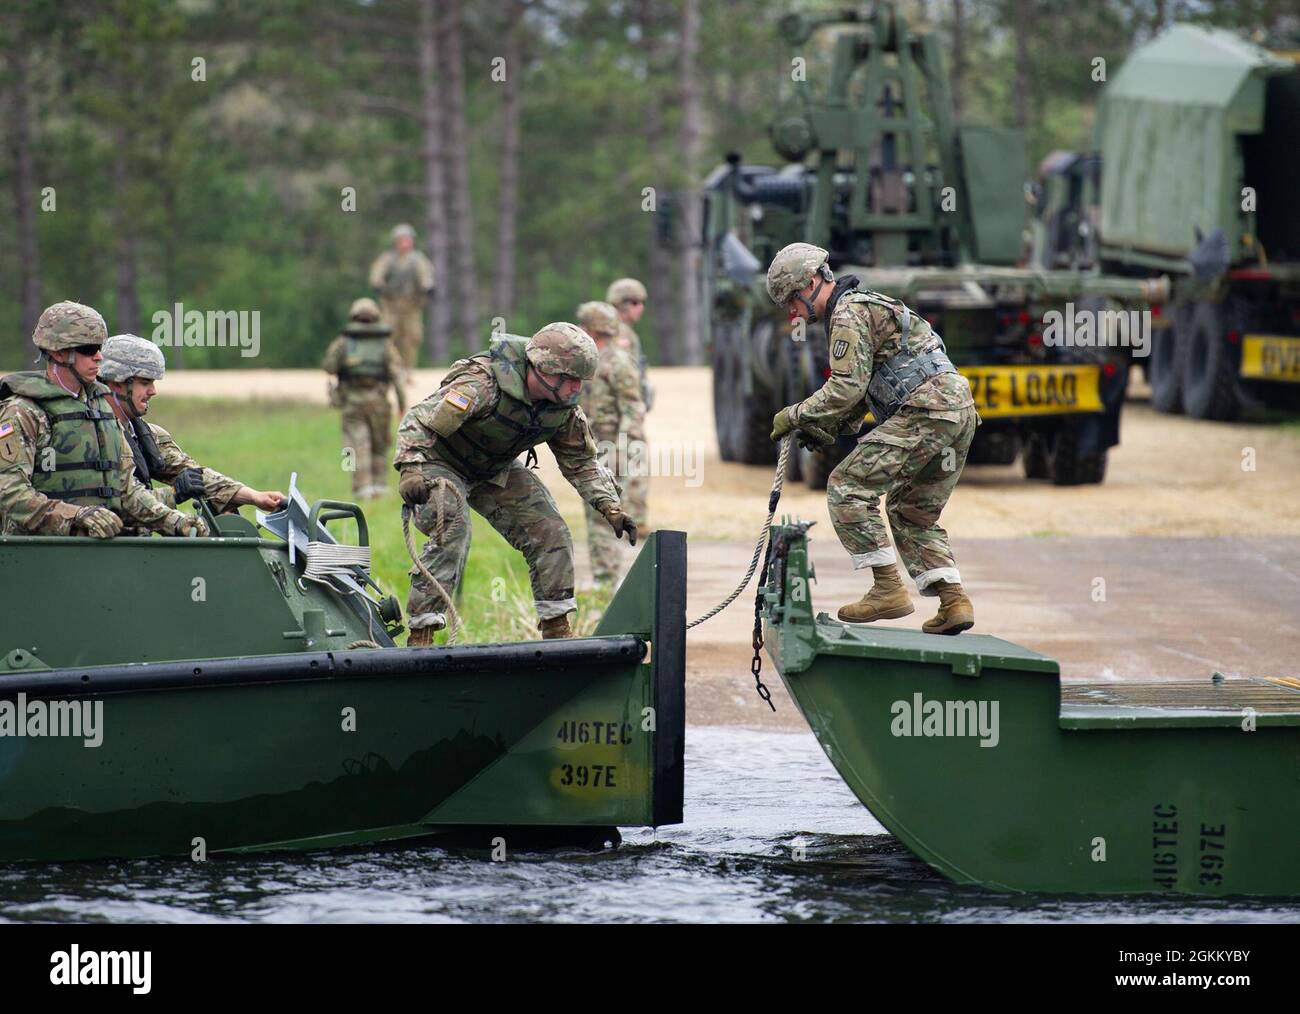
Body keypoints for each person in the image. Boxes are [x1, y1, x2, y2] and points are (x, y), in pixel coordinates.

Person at [766, 243, 979, 635]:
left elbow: (846, 388)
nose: (792, 313)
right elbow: (863, 395)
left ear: (811, 284)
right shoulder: (864, 307)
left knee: (847, 487)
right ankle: (954, 602)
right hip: (957, 413)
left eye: (791, 301)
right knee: (911, 510)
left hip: (926, 410)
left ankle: (887, 589)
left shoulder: (847, 314)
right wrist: (824, 428)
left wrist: (794, 415)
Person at [394, 323, 635, 644]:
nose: (577, 389)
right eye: (572, 379)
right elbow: (419, 421)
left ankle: (556, 630)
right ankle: (421, 633)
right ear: (546, 370)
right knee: (451, 526)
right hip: (441, 462)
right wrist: (411, 468)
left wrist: (611, 507)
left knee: (551, 531)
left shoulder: (562, 411)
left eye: (581, 381)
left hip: (494, 469)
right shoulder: (482, 385)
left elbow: (581, 463)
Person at [0, 302, 208, 539]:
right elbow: (10, 493)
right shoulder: (22, 412)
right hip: (38, 556)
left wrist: (175, 521)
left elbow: (126, 489)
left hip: (101, 555)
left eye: (99, 348)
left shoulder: (101, 407)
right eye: (88, 349)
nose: (99, 357)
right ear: (58, 352)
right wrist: (76, 516)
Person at [99, 334, 286, 528]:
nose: (153, 391)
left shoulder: (142, 433)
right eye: (145, 383)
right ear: (117, 382)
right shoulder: (97, 435)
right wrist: (174, 495)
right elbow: (119, 504)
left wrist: (254, 496)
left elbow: (192, 473)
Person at [575, 300, 645, 587]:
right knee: (596, 514)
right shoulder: (588, 359)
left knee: (604, 514)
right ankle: (605, 577)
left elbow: (633, 408)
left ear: (592, 328)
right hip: (591, 446)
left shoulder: (618, 362)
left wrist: (623, 448)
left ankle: (606, 580)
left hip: (611, 447)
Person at [323, 299, 406, 499]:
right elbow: (396, 376)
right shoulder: (385, 344)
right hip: (379, 402)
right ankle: (380, 486)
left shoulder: (344, 342)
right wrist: (402, 404)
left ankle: (362, 488)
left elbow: (329, 366)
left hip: (352, 402)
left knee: (356, 444)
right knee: (380, 445)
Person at [605, 277, 654, 529]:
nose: (640, 308)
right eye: (636, 302)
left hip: (616, 413)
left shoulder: (616, 332)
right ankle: (636, 520)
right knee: (633, 463)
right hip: (621, 413)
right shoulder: (618, 334)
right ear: (623, 304)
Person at [369, 223, 435, 372]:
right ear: (396, 242)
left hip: (411, 307)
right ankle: (389, 368)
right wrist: (378, 284)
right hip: (391, 306)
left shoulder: (417, 260)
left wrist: (428, 287)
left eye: (408, 239)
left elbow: (425, 275)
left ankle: (408, 369)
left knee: (412, 338)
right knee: (387, 337)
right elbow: (377, 274)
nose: (405, 243)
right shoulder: (388, 259)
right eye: (402, 240)